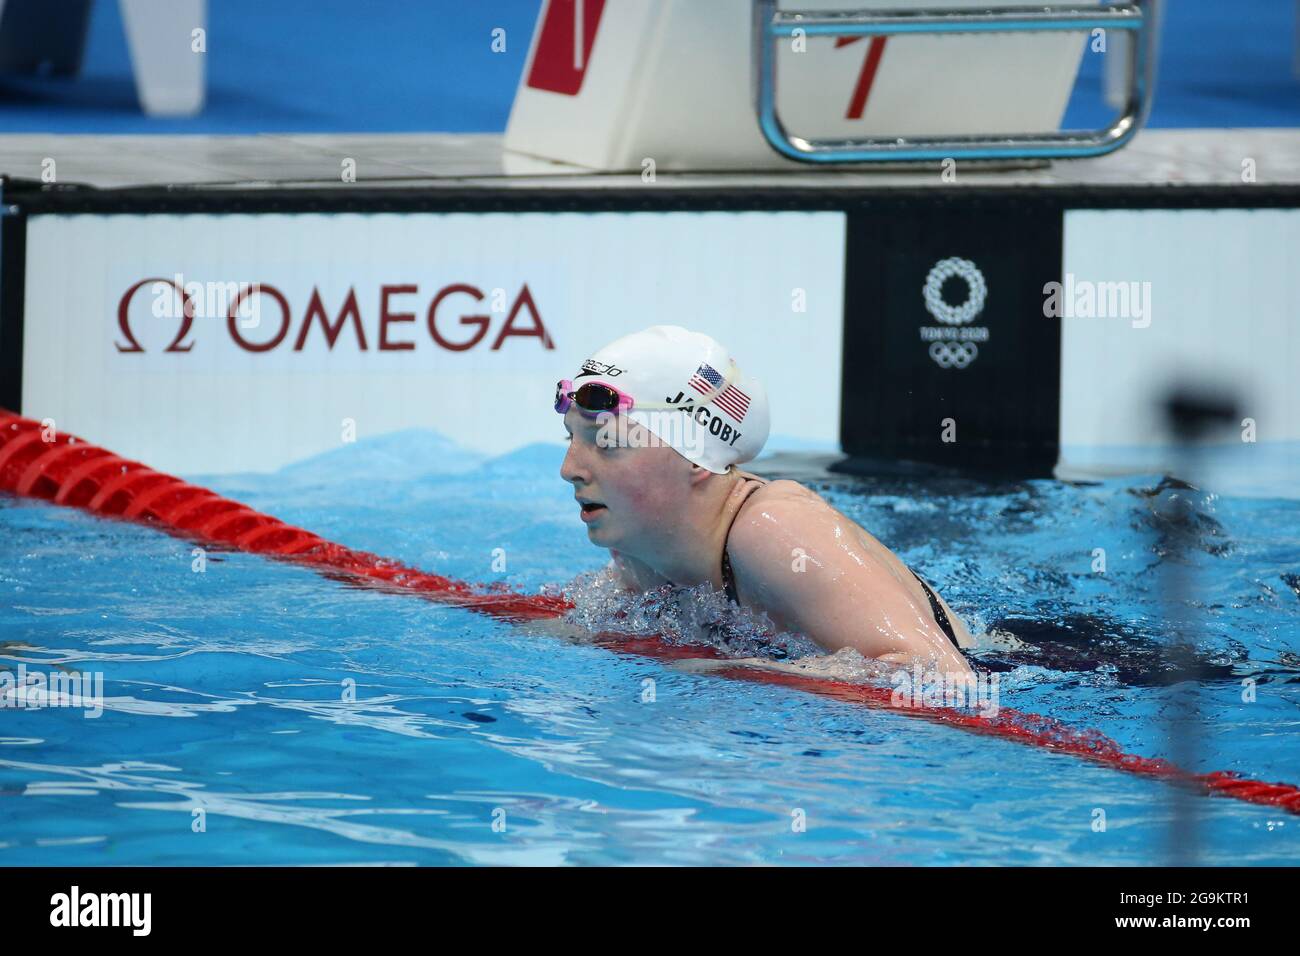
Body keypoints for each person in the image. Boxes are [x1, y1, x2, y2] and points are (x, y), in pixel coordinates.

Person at [556, 325, 974, 677]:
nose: (569, 468)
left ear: (696, 457)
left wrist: (733, 671)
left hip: (1009, 669)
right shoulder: (641, 550)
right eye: (571, 438)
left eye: (606, 443)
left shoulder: (776, 529)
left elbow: (938, 673)